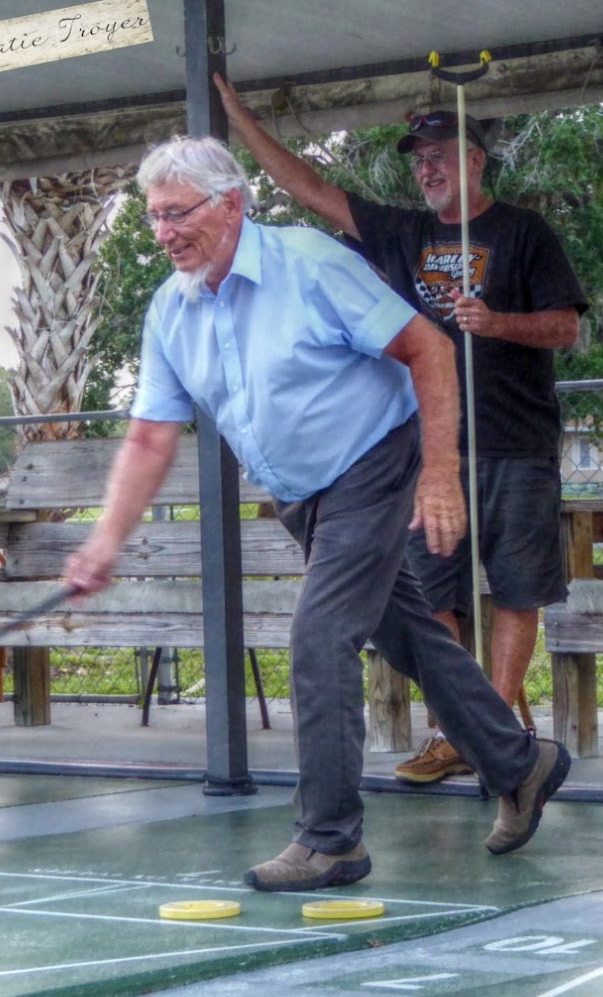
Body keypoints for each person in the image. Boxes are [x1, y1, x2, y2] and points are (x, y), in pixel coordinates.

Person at [64, 135, 570, 893]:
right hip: (304, 496)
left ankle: (331, 839)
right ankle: (521, 761)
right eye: (154, 219)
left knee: (320, 637)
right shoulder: (171, 310)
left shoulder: (308, 265)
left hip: (377, 461)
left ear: (230, 204)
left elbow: (429, 349)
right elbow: (148, 435)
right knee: (408, 635)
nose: (164, 233)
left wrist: (439, 473)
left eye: (177, 215)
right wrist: (104, 541)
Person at [215, 76, 588, 787]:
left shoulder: (523, 233)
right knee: (429, 591)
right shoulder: (405, 231)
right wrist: (241, 119)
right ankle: (460, 731)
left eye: (440, 153)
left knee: (516, 589)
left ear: (475, 159)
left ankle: (495, 733)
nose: (427, 167)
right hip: (426, 450)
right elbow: (310, 190)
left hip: (515, 442)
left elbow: (566, 326)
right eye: (418, 158)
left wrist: (497, 322)